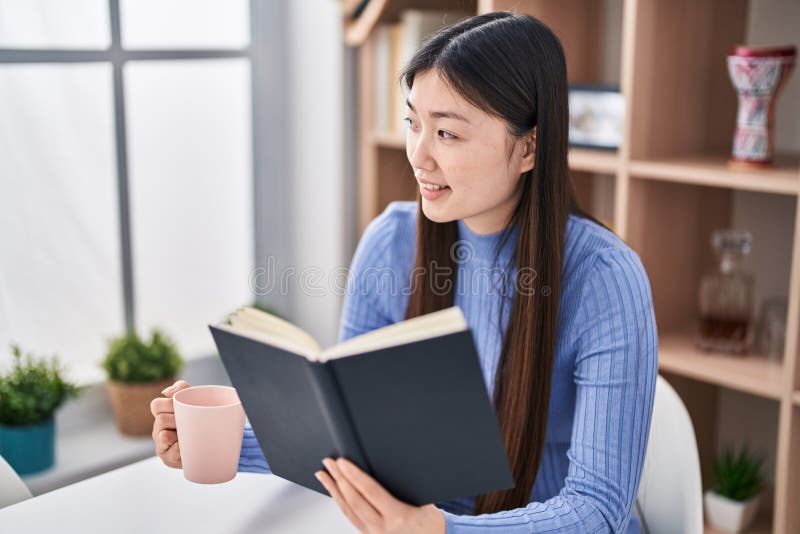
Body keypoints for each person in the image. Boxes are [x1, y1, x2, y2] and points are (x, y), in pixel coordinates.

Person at [151, 11, 657, 534]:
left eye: (447, 133)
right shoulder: (393, 241)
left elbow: (599, 509)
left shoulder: (604, 278)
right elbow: (350, 438)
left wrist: (441, 531)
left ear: (528, 147)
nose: (418, 155)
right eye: (414, 123)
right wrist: (225, 441)